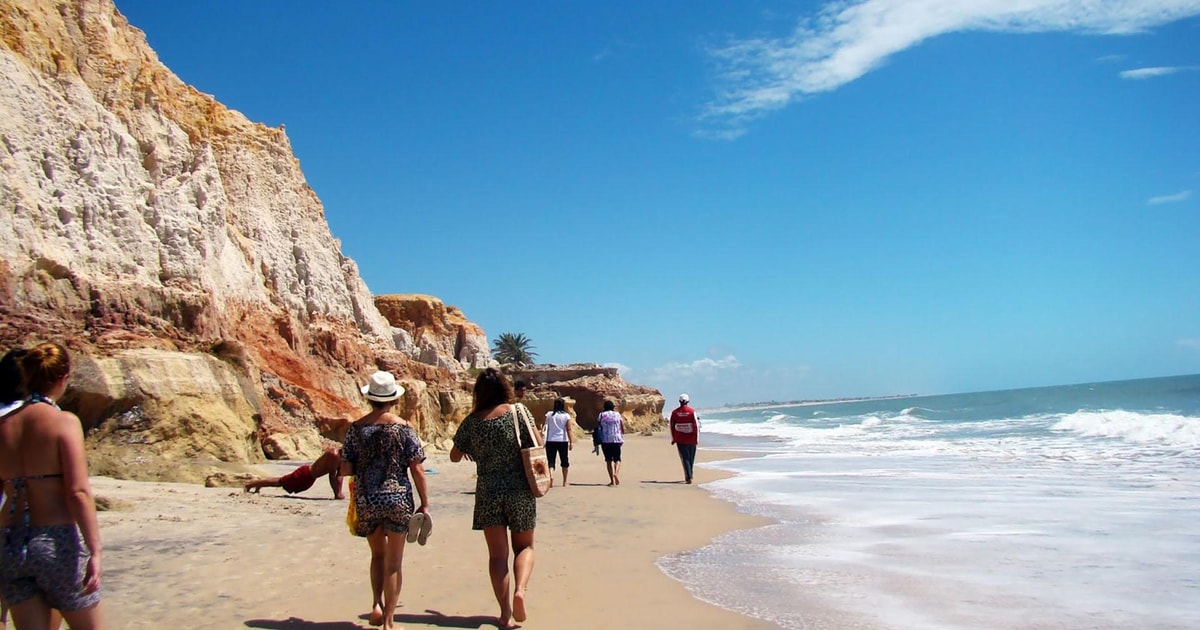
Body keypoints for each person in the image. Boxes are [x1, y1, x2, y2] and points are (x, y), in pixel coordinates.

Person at [0, 342, 104, 629]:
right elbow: (77, 492)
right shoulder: (63, 422)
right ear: (63, 378)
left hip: (9, 543)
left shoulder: (3, 426)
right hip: (55, 542)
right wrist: (95, 550)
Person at [450, 368, 540, 629]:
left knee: (497, 557)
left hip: (488, 491)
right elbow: (537, 442)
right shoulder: (519, 412)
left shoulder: (473, 421)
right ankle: (520, 590)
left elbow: (454, 456)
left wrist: (474, 449)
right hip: (519, 488)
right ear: (505, 388)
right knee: (524, 547)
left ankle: (504, 614)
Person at [338, 371, 429, 630]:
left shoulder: (356, 429)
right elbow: (416, 468)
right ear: (394, 399)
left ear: (370, 398)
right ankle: (389, 621)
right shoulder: (404, 428)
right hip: (398, 498)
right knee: (394, 563)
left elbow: (346, 468)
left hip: (367, 497)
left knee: (377, 555)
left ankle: (376, 605)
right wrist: (424, 502)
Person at [243, 447, 345, 499]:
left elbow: (340, 474)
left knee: (281, 481)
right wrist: (337, 494)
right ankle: (250, 484)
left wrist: (339, 493)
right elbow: (332, 475)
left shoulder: (342, 457)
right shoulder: (334, 455)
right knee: (280, 482)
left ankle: (258, 484)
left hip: (309, 478)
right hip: (305, 475)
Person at [669, 393, 700, 484]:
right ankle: (690, 475)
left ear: (679, 401)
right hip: (692, 438)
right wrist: (697, 439)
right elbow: (696, 425)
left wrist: (673, 438)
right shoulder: (692, 411)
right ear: (688, 401)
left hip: (680, 439)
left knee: (684, 458)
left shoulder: (675, 412)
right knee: (691, 458)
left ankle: (689, 476)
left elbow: (671, 426)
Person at [542, 398, 573, 488]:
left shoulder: (549, 414)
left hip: (550, 440)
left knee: (551, 460)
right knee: (564, 461)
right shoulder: (566, 416)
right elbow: (569, 429)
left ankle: (551, 475)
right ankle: (565, 481)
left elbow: (544, 427)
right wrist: (571, 442)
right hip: (562, 440)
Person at [595, 400, 626, 487]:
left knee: (608, 461)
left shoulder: (601, 415)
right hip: (616, 439)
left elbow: (598, 426)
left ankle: (612, 481)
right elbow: (622, 426)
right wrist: (622, 434)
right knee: (617, 459)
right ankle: (616, 473)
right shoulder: (617, 414)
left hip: (605, 440)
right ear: (613, 407)